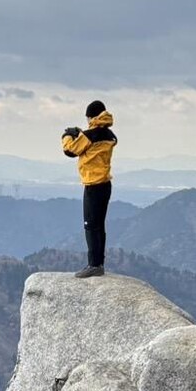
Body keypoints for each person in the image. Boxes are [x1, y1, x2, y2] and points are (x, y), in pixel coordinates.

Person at [62, 99, 116, 277]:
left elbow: (70, 150)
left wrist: (68, 136)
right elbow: (91, 146)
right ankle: (99, 263)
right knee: (99, 225)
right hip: (106, 184)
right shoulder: (110, 135)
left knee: (90, 226)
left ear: (91, 117)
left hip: (93, 185)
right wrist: (82, 134)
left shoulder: (90, 134)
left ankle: (93, 265)